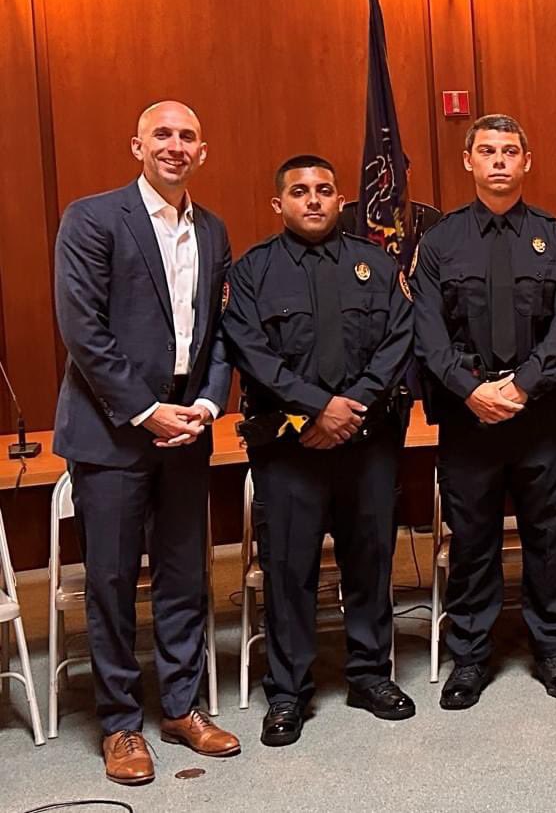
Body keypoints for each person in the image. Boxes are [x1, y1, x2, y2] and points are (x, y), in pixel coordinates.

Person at [52, 100, 239, 785]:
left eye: (188, 136)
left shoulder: (213, 229)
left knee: (185, 575)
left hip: (188, 430)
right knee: (110, 583)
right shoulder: (93, 218)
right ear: (137, 146)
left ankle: (182, 707)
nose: (175, 145)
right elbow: (83, 327)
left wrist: (208, 404)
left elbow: (220, 332)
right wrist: (146, 410)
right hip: (112, 433)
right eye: (162, 134)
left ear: (203, 151)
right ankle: (120, 723)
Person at [221, 155, 416, 746]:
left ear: (339, 200)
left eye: (324, 190)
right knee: (289, 569)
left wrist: (348, 410)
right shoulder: (252, 271)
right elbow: (250, 352)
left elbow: (398, 340)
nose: (313, 200)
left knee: (370, 561)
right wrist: (316, 408)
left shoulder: (376, 264)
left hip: (366, 441)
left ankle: (370, 675)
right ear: (278, 203)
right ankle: (287, 691)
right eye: (300, 191)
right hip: (289, 448)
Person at [412, 114, 556, 709]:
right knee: (472, 539)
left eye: (509, 151)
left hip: (537, 415)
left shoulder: (554, 238)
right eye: (486, 151)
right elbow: (426, 330)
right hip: (468, 417)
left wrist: (522, 387)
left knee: (547, 536)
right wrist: (470, 390)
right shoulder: (439, 243)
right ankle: (469, 655)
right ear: (468, 161)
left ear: (526, 162)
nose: (498, 161)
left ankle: (554, 648)